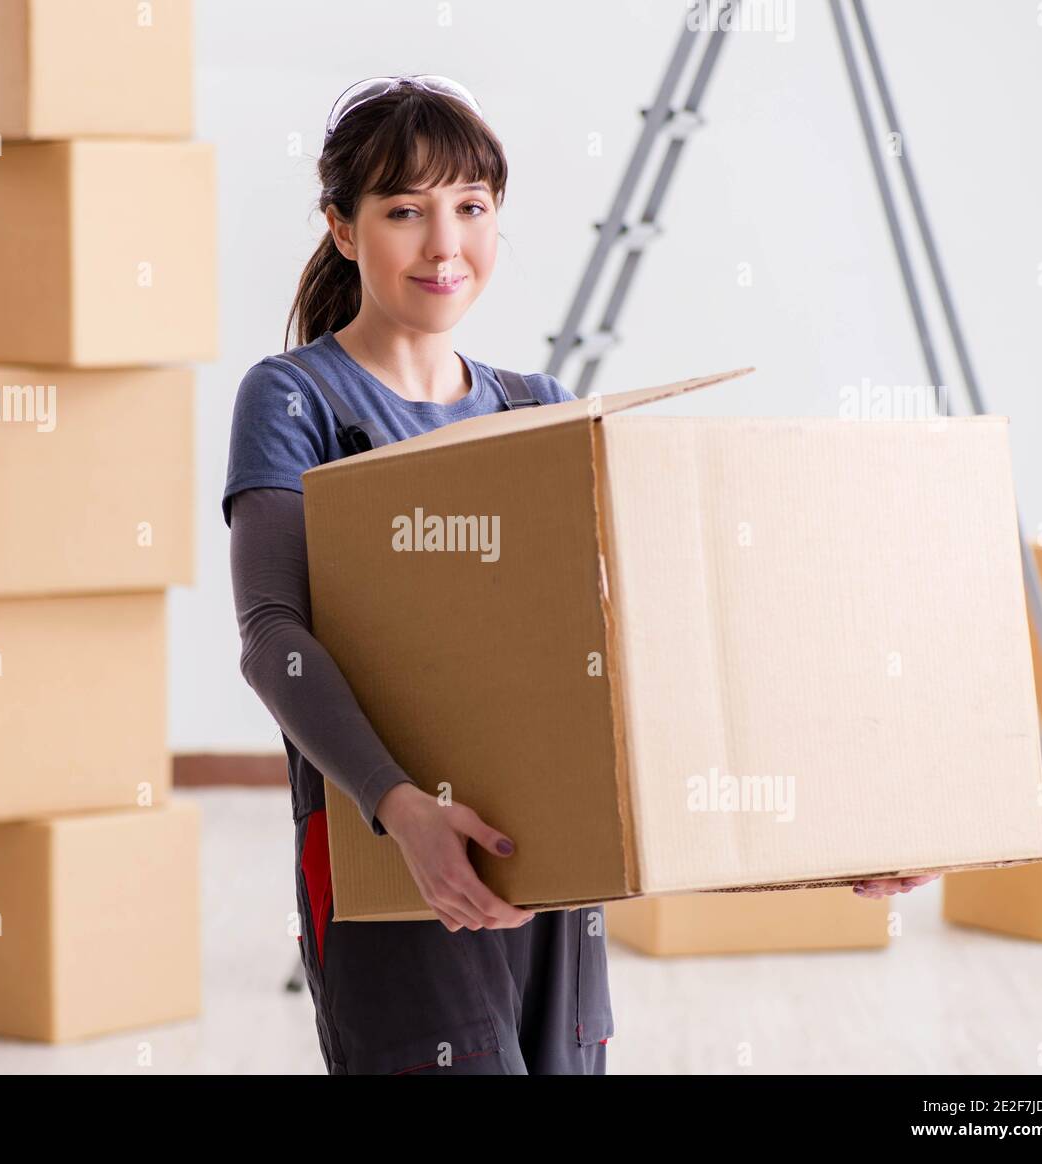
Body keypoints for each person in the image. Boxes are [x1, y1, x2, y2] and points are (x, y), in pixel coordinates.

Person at [222, 74, 934, 1076]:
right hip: (392, 854)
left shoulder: (537, 409)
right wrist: (402, 807)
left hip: (547, 866)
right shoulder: (295, 397)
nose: (443, 244)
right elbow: (271, 637)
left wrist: (837, 829)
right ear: (343, 230)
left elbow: (638, 656)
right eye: (403, 211)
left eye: (470, 208)